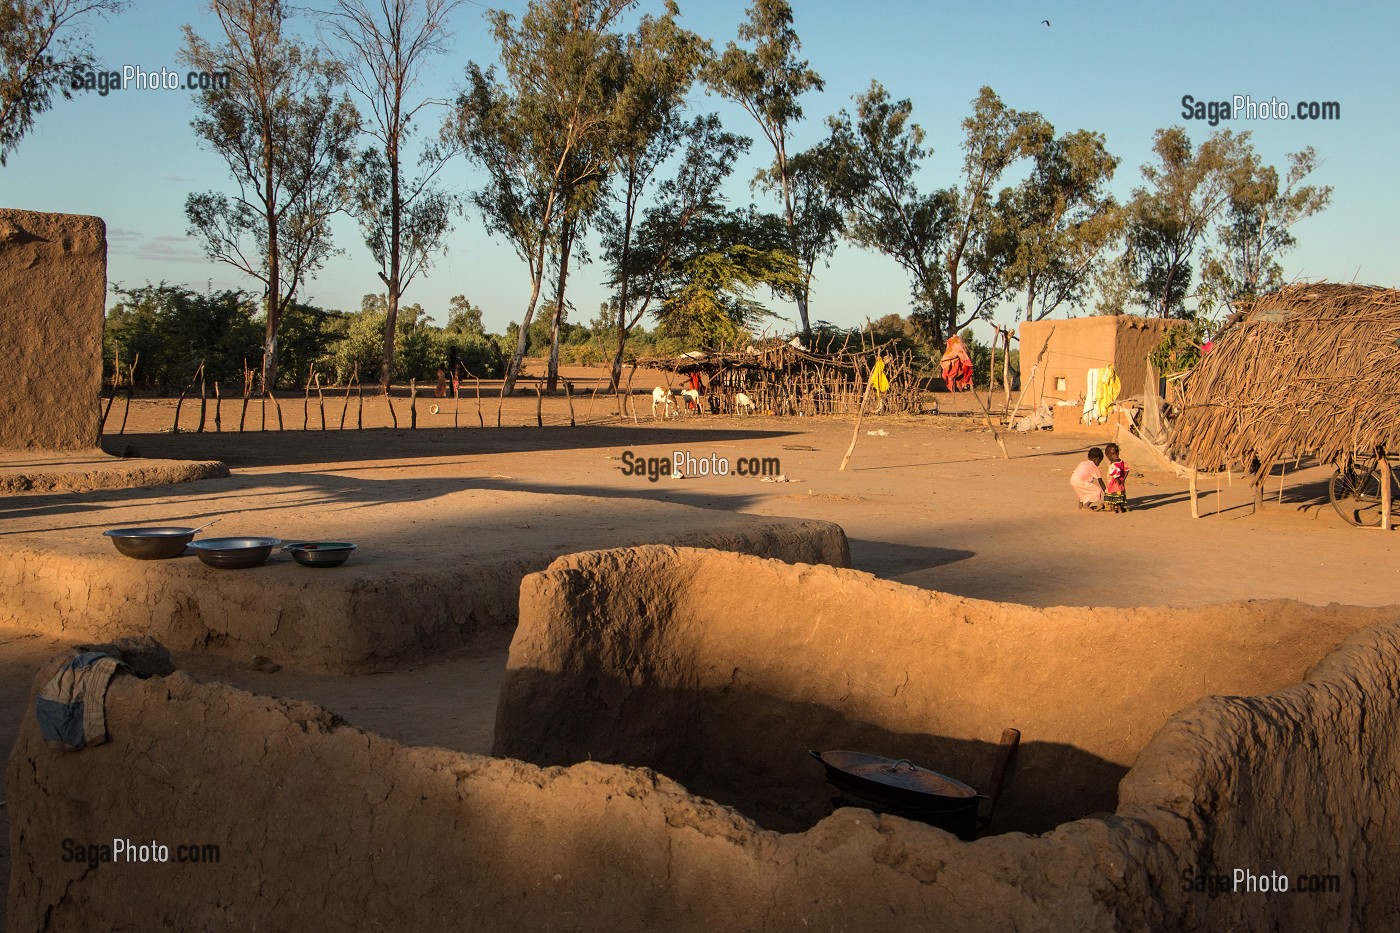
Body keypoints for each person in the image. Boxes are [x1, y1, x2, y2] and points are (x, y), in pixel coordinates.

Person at [1104, 442, 1129, 513]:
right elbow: (1127, 470)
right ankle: (1119, 509)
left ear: (1110, 455)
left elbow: (1115, 472)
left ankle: (1113, 509)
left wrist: (1117, 479)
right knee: (1119, 498)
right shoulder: (1122, 462)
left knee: (1112, 498)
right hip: (1120, 484)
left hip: (1113, 484)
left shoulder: (1113, 465)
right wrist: (1123, 479)